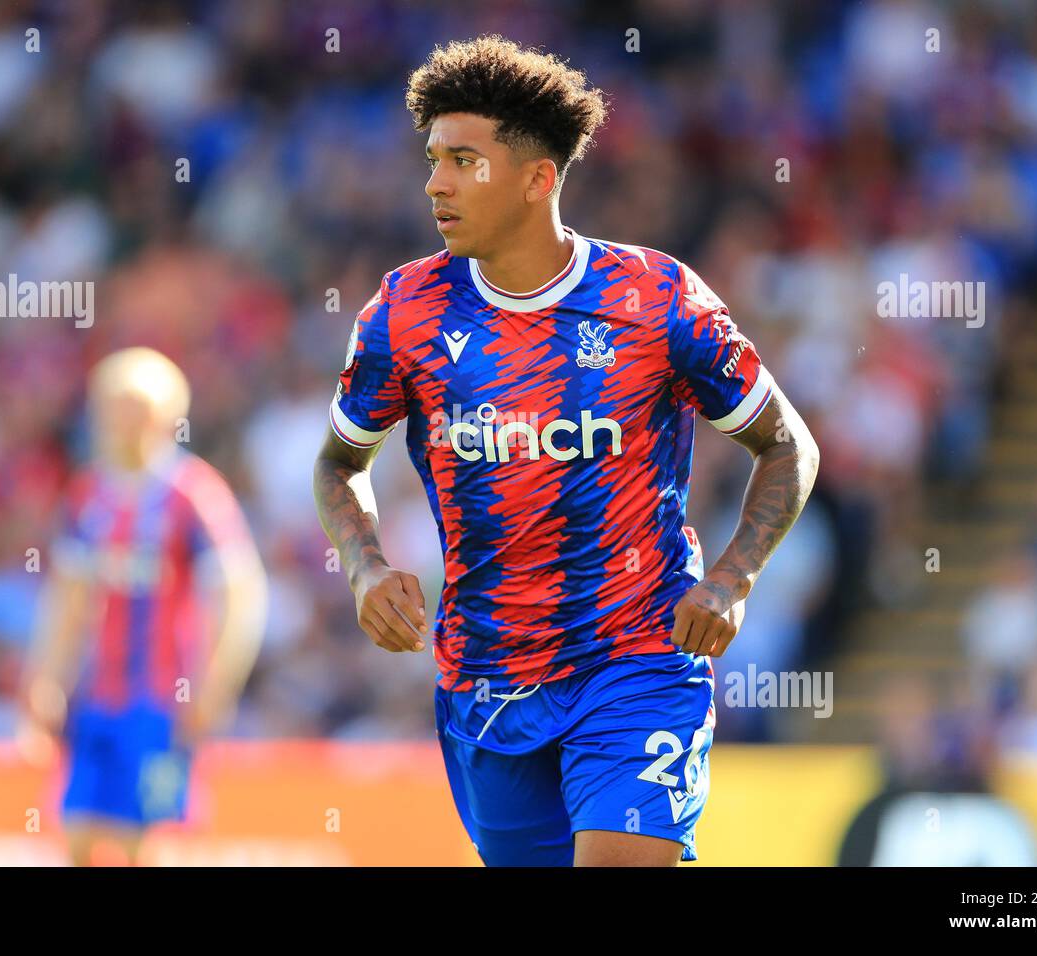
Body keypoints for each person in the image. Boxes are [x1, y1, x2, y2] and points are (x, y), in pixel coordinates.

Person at [313, 36, 818, 866]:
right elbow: (338, 462)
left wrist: (733, 577)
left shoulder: (655, 302)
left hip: (640, 657)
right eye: (433, 158)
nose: (435, 182)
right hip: (485, 679)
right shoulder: (405, 312)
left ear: (539, 178)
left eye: (464, 160)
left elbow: (787, 446)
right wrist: (364, 565)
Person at [22, 347, 268, 865]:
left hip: (162, 701)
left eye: (131, 406)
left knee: (146, 841)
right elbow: (67, 596)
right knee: (77, 831)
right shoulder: (88, 496)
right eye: (109, 405)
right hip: (97, 698)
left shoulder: (193, 495)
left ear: (166, 416)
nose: (117, 420)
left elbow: (240, 593)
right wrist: (45, 675)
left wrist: (214, 684)